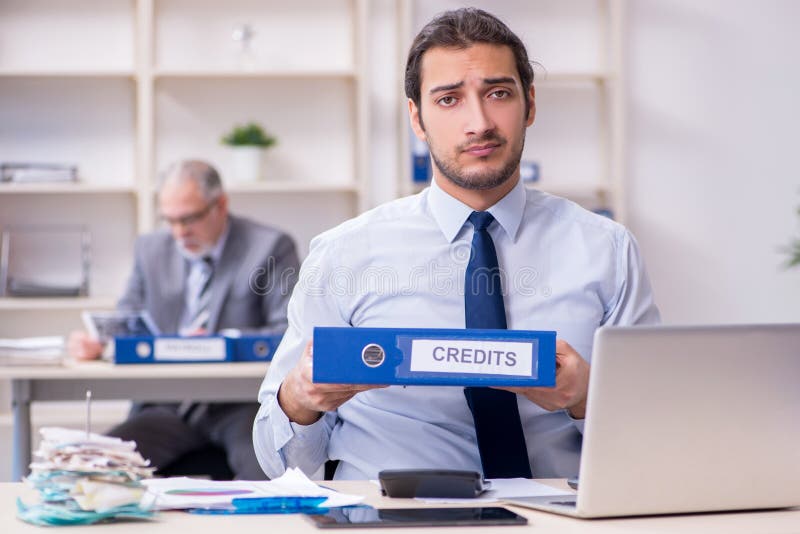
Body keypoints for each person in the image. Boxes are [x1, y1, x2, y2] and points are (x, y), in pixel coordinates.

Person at [253, 8, 659, 481]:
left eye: (498, 93)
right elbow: (279, 463)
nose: (479, 122)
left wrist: (590, 396)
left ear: (529, 104)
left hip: (559, 516)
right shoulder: (343, 254)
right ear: (417, 118)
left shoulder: (608, 251)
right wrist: (301, 400)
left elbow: (656, 444)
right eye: (449, 100)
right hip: (390, 516)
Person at [68, 159, 300, 480]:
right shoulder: (150, 249)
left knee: (267, 475)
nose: (180, 232)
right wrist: (100, 343)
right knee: (91, 467)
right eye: (170, 220)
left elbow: (287, 333)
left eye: (190, 219)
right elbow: (127, 318)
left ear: (220, 205)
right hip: (167, 403)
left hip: (240, 404)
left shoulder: (270, 246)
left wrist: (218, 344)